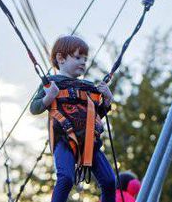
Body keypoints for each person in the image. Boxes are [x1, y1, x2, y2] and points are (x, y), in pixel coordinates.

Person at [30, 35, 116, 202]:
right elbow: (34, 108)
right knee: (66, 179)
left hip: (89, 141)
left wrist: (107, 100)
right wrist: (49, 97)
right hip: (64, 139)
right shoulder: (52, 83)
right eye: (78, 57)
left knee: (109, 181)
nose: (83, 62)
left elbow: (97, 115)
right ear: (61, 58)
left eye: (85, 58)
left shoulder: (88, 87)